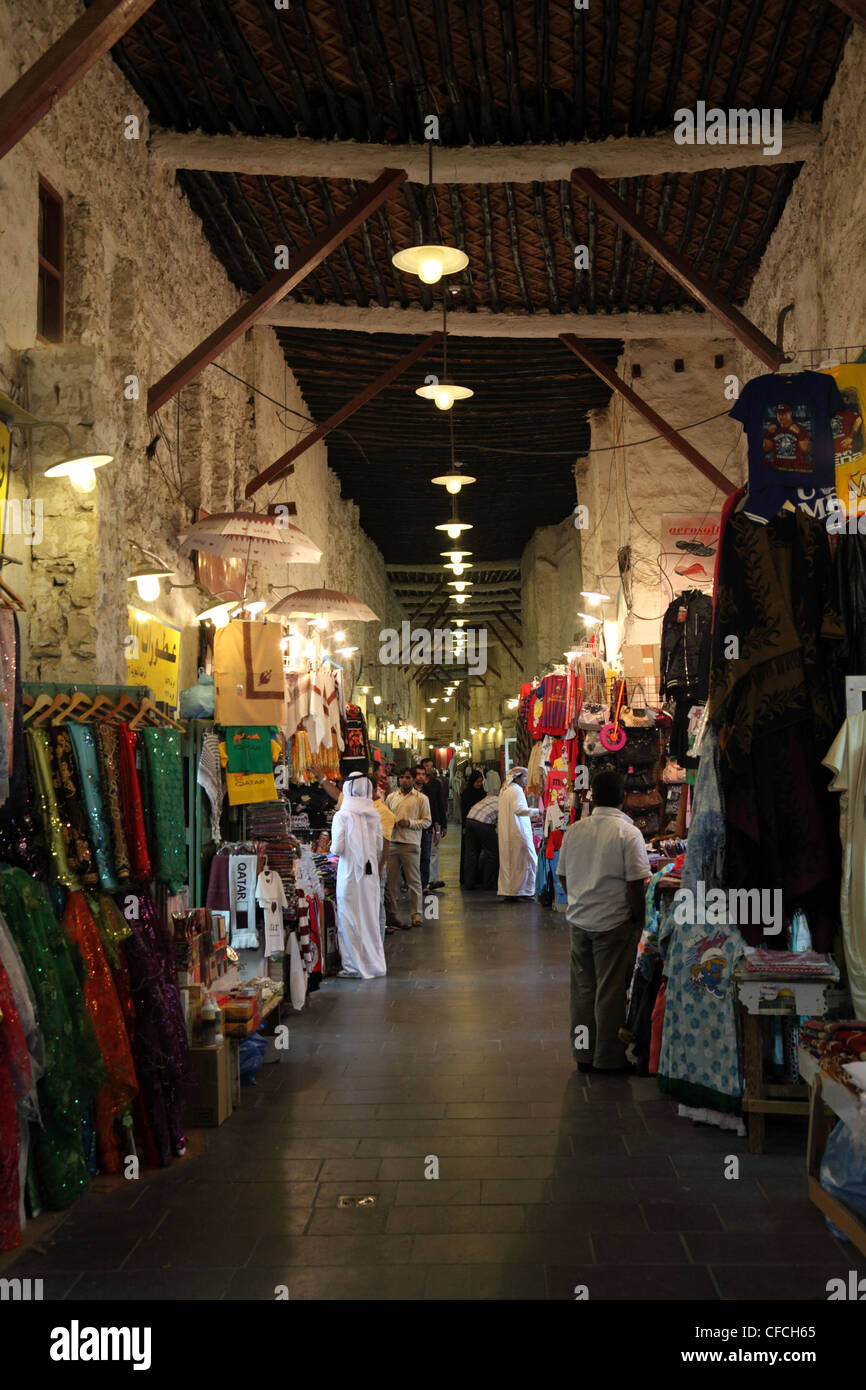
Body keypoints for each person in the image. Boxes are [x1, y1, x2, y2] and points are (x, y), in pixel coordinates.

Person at [556, 769, 651, 1074]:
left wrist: (580, 900)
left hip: (580, 921)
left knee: (583, 990)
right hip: (613, 923)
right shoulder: (628, 834)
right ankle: (608, 1058)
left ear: (593, 797)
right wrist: (638, 917)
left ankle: (583, 1053)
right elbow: (636, 884)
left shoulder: (576, 830)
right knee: (610, 991)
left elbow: (563, 876)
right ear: (624, 798)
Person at [330, 772, 385, 979]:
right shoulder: (374, 815)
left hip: (349, 876)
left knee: (349, 920)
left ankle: (353, 967)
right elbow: (379, 847)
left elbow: (337, 848)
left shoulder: (342, 816)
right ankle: (374, 964)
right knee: (369, 918)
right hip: (370, 876)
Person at [385, 767, 431, 929]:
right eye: (402, 777)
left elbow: (426, 821)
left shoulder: (421, 799)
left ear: (413, 780)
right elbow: (385, 818)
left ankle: (416, 914)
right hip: (392, 843)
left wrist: (409, 823)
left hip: (411, 843)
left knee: (414, 881)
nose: (404, 780)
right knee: (391, 882)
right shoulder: (391, 798)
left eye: (408, 777)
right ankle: (392, 914)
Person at [497, 766, 539, 899]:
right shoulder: (517, 791)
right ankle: (524, 890)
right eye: (525, 777)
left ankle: (510, 891)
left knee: (510, 862)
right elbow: (519, 809)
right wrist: (537, 811)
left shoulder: (505, 790)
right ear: (518, 778)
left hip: (508, 833)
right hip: (518, 832)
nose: (526, 780)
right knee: (528, 859)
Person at [463, 790, 500, 890]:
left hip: (470, 819)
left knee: (471, 853)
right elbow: (501, 825)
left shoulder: (490, 797)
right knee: (492, 853)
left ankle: (469, 883)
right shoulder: (504, 803)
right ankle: (488, 883)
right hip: (484, 822)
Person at [422, 757, 448, 887]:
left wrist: (443, 825)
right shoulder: (418, 784)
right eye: (427, 766)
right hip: (420, 823)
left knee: (433, 850)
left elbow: (440, 804)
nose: (429, 768)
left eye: (431, 766)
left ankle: (432, 879)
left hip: (434, 821)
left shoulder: (436, 784)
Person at [459, 769, 486, 884]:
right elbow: (464, 811)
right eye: (477, 782)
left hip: (481, 826)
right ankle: (468, 878)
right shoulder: (466, 793)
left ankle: (478, 877)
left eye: (480, 781)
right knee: (469, 852)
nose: (479, 784)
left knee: (480, 851)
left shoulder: (483, 793)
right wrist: (464, 826)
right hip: (469, 826)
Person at [413, 766, 435, 893]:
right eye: (418, 774)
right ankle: (410, 882)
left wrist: (438, 828)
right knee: (412, 857)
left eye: (423, 774)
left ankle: (423, 885)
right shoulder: (408, 792)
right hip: (412, 829)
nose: (421, 776)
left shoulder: (429, 791)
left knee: (425, 857)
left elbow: (435, 809)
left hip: (426, 828)